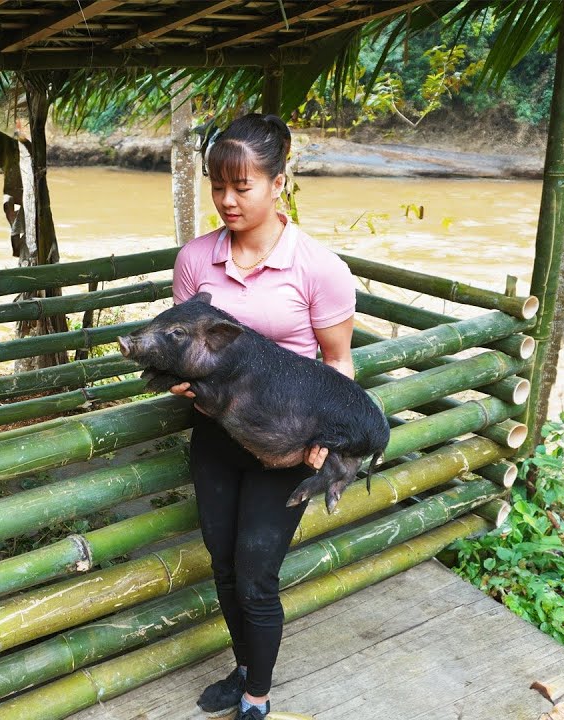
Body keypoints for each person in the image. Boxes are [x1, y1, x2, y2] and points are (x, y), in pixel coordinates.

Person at [170, 113, 357, 720]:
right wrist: (177, 379)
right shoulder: (196, 260)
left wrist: (327, 445)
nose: (226, 200)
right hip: (217, 434)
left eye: (241, 186)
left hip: (288, 446)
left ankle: (256, 699)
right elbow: (185, 346)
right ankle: (246, 667)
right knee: (223, 564)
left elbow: (338, 366)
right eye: (216, 186)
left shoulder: (319, 269)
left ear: (279, 182)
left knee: (255, 572)